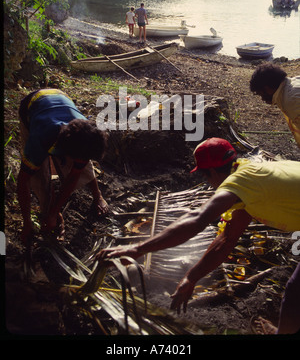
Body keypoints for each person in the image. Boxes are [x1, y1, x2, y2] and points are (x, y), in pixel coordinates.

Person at [96, 137, 300, 334]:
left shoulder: (241, 181)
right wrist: (191, 278)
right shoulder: (251, 177)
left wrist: (136, 249)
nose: (209, 184)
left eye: (205, 177)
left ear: (211, 172)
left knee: (295, 293)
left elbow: (198, 218)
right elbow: (227, 240)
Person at [17, 88, 108, 246]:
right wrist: (27, 223)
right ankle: (47, 210)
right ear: (67, 151)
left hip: (60, 99)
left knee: (83, 168)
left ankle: (97, 195)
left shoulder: (86, 133)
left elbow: (74, 175)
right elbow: (23, 179)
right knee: (39, 177)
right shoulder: (40, 138)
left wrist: (55, 211)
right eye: (76, 158)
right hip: (31, 107)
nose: (80, 161)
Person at [250, 63, 300, 147]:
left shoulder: (291, 100)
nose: (262, 99)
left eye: (261, 94)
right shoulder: (293, 81)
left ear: (267, 88)